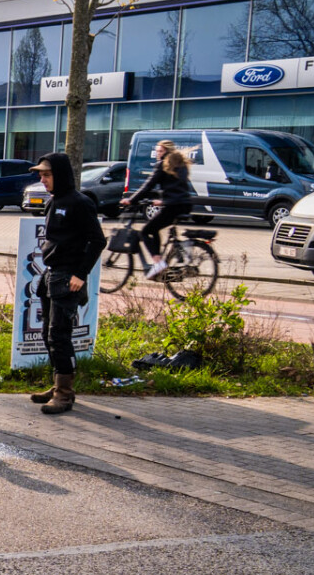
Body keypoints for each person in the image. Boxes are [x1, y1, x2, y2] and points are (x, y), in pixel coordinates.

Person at [32, 150, 107, 415]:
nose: (42, 179)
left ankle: (65, 394)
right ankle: (56, 386)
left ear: (61, 174)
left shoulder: (79, 202)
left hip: (68, 277)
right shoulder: (54, 201)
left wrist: (80, 274)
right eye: (41, 174)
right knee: (48, 335)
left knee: (59, 336)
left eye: (47, 174)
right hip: (52, 274)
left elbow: (98, 241)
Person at [120, 140, 193, 280]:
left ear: (166, 151)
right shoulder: (180, 164)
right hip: (183, 204)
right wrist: (162, 200)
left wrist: (131, 200)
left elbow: (148, 185)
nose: (157, 154)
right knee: (154, 228)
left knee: (145, 231)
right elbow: (176, 186)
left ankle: (158, 262)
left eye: (159, 151)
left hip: (172, 206)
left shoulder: (163, 165)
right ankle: (160, 260)